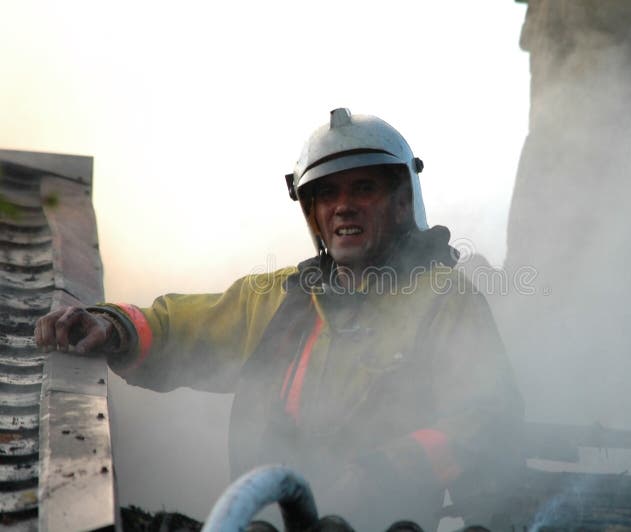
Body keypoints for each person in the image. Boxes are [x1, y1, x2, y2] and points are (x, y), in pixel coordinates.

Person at [34, 108, 523, 530]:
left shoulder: (445, 301)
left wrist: (380, 473)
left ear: (401, 202)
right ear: (312, 212)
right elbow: (183, 326)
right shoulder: (286, 299)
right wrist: (111, 326)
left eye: (363, 188)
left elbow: (484, 421)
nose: (343, 206)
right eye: (327, 194)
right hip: (267, 518)